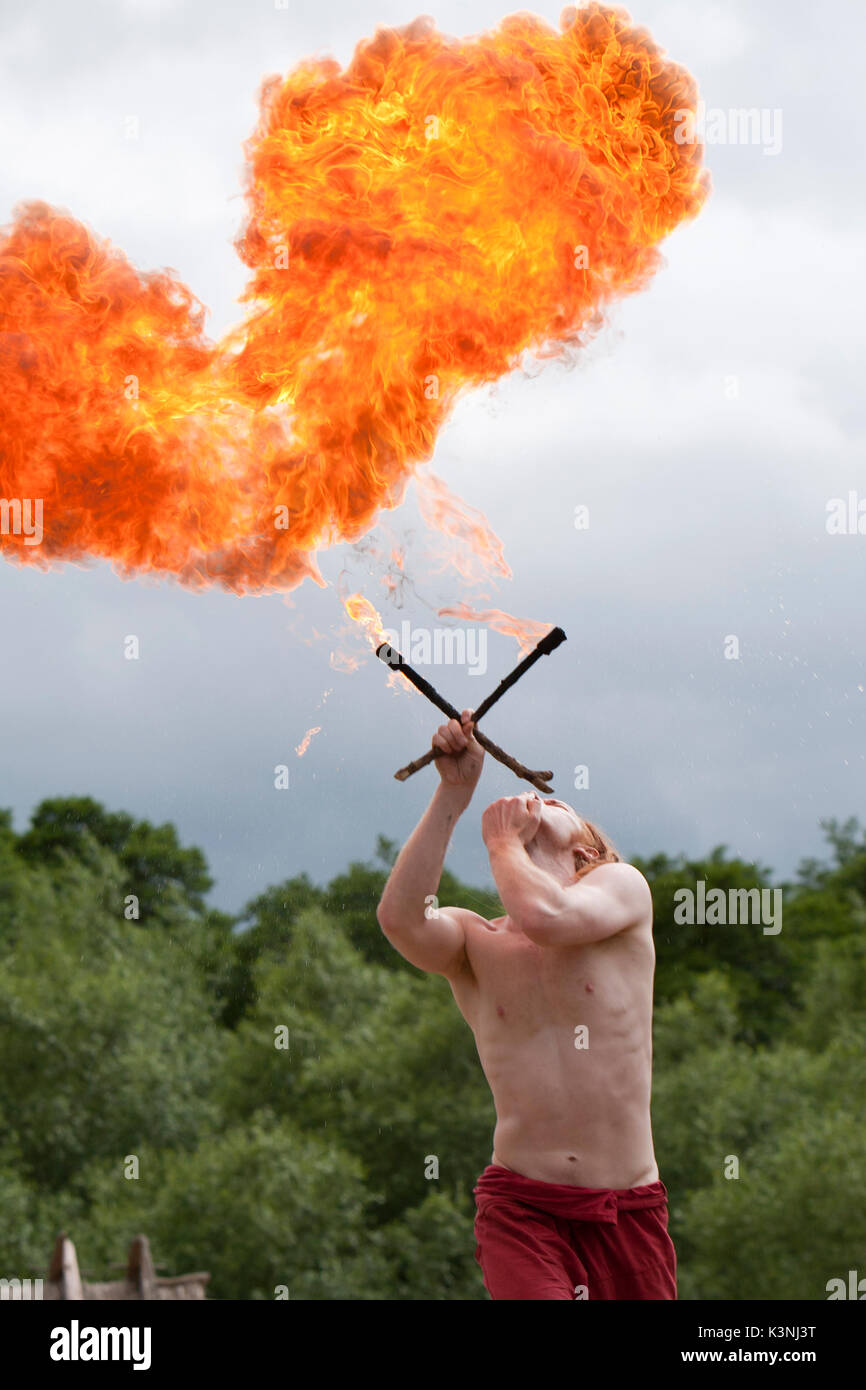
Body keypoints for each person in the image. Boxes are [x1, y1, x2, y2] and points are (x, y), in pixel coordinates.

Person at [376, 709, 677, 1300]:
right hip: (522, 1206)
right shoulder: (474, 941)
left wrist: (500, 841)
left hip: (629, 1208)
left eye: (559, 805)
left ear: (588, 854)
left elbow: (547, 918)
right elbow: (401, 920)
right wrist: (452, 794)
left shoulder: (621, 890)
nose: (538, 802)